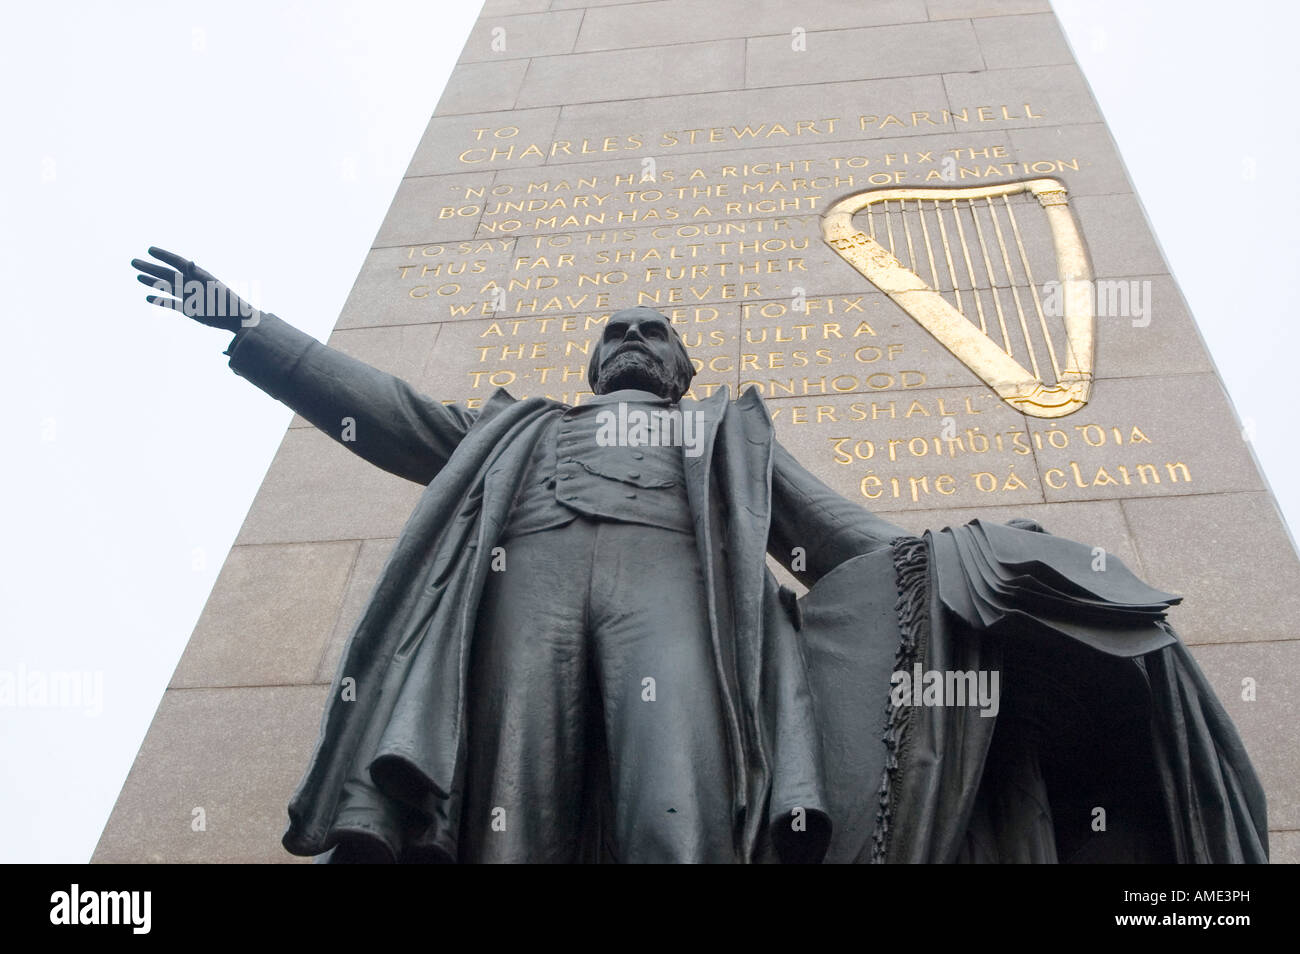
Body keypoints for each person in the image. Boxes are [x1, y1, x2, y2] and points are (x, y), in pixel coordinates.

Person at [132, 247, 1268, 863]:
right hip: (523, 590)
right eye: (616, 333)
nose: (633, 341)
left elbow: (846, 543)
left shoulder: (727, 439)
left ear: (682, 372)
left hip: (676, 607)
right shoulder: (515, 431)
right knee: (509, 793)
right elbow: (385, 415)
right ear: (594, 366)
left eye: (654, 334)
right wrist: (252, 328)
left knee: (672, 790)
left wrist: (981, 568)